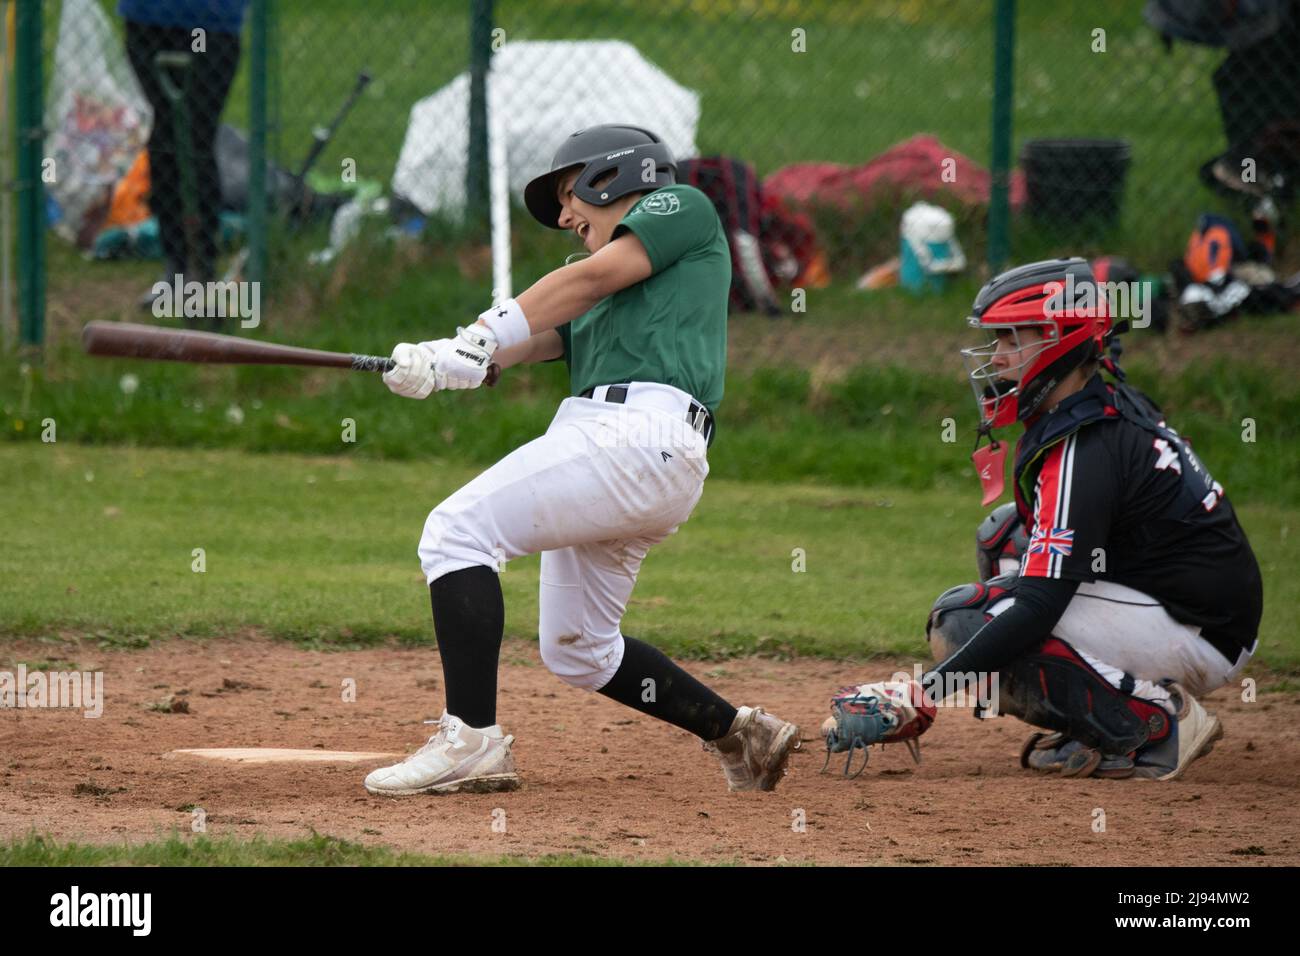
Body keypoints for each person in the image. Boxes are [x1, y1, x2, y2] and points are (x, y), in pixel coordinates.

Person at [365, 124, 800, 796]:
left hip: (636, 435)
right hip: (631, 448)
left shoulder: (679, 208)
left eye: (571, 196)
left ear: (617, 177)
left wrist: (477, 337)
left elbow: (589, 281)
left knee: (455, 533)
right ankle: (740, 731)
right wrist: (436, 360)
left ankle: (471, 742)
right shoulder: (593, 283)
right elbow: (528, 340)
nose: (566, 218)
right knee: (577, 647)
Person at [822, 257, 1263, 781]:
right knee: (1004, 538)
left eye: (1012, 339)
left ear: (1057, 342)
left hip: (1198, 627)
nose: (998, 355)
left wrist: (920, 692)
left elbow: (1039, 604)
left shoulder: (1085, 445)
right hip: (1189, 599)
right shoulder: (1093, 392)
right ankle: (1096, 715)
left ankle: (1154, 723)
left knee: (965, 620)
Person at [120, 0, 248, 318]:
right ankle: (175, 266)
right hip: (147, 18)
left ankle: (201, 268)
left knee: (197, 140)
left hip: (212, 20)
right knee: (163, 139)